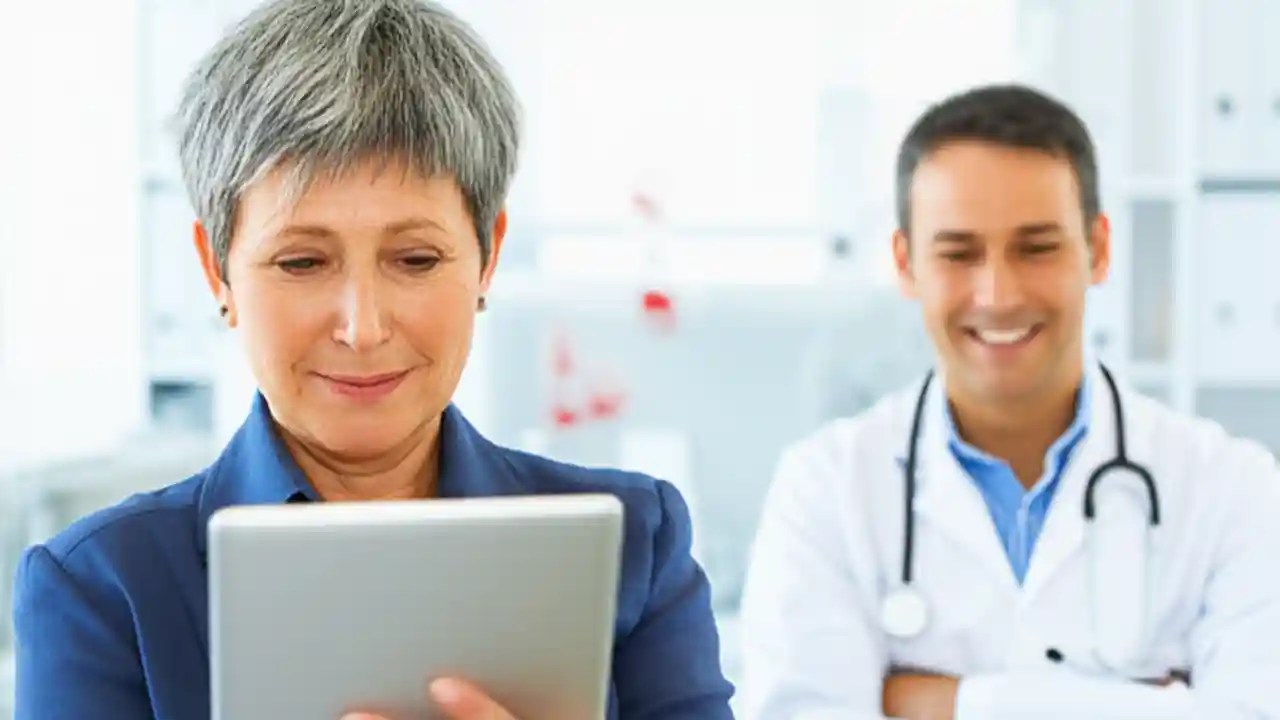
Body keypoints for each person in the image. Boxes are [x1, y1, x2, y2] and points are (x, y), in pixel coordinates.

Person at [11, 1, 734, 718]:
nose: (362, 328)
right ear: (216, 270)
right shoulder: (102, 589)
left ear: (487, 257)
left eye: (416, 259)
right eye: (301, 262)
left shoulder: (633, 547)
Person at [739, 84, 1280, 719]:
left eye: (1037, 248)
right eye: (958, 253)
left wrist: (945, 703)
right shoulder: (826, 489)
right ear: (906, 264)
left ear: (1098, 250)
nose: (997, 295)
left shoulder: (1231, 488)